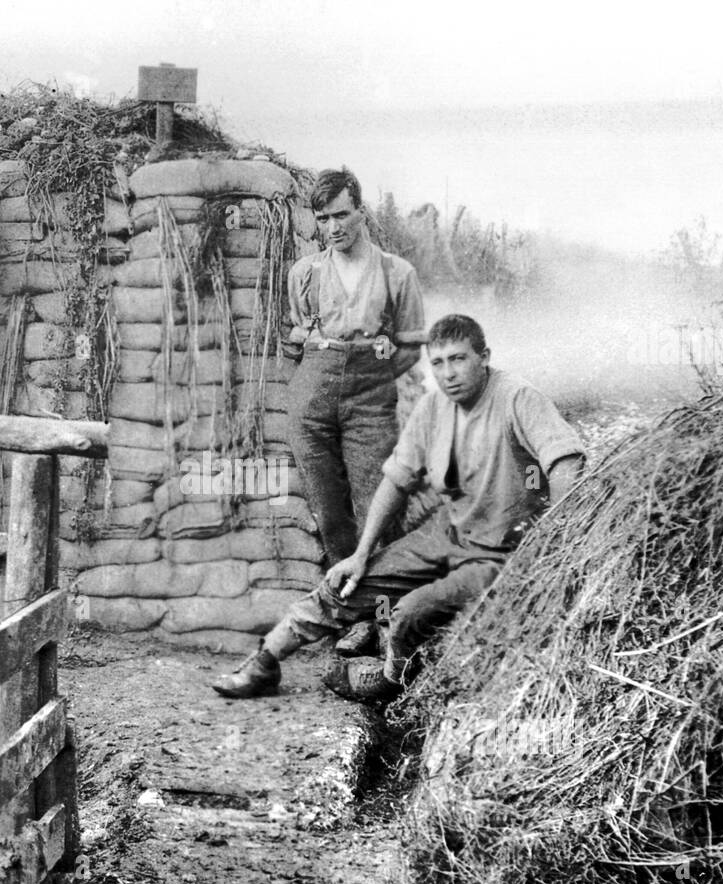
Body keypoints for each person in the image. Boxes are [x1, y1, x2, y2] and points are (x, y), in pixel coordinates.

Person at [213, 314, 586, 701]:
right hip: (447, 534)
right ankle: (265, 661)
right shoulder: (433, 408)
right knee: (346, 585)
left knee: (408, 613)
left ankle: (391, 680)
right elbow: (396, 479)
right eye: (438, 363)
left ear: (484, 357)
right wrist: (360, 554)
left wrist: (552, 548)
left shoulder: (517, 397)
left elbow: (565, 462)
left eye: (458, 359)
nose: (448, 374)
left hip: (501, 552)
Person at [285, 168, 425, 655]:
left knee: (376, 509)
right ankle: (350, 619)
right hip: (313, 398)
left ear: (361, 213)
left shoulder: (396, 273)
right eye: (323, 218)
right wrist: (303, 344)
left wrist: (376, 372)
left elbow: (410, 346)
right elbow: (298, 337)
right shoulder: (305, 273)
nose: (332, 227)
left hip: (371, 397)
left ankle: (382, 621)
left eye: (341, 215)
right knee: (329, 510)